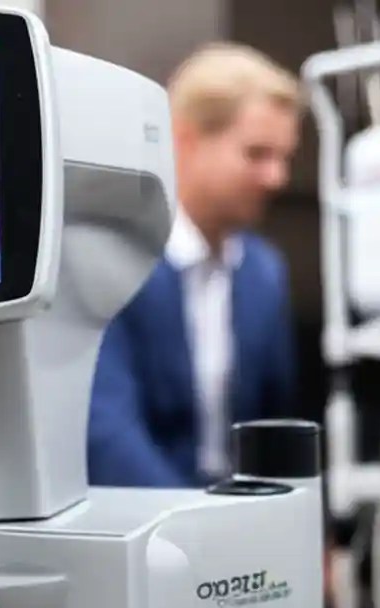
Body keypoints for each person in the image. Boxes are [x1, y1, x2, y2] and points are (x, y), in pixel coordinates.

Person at [88, 43, 301, 490]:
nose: (277, 178)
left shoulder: (263, 273)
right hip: (147, 513)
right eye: (256, 154)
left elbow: (278, 427)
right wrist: (196, 521)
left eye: (284, 158)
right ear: (185, 140)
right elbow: (107, 433)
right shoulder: (118, 262)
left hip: (240, 513)